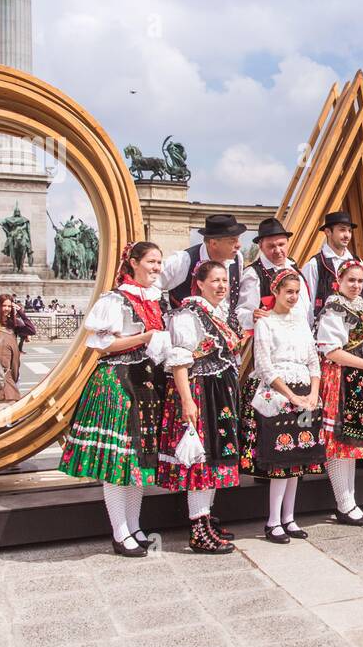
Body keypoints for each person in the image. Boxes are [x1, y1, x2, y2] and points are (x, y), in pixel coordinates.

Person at [58, 241, 170, 557]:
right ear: (133, 263)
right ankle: (120, 532)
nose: (157, 268)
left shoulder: (155, 299)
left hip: (146, 384)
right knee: (119, 460)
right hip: (118, 384)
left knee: (139, 460)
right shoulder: (114, 299)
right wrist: (145, 338)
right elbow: (101, 345)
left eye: (159, 262)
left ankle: (134, 526)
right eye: (151, 261)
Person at [158, 259, 246, 555]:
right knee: (201, 461)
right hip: (200, 390)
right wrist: (186, 401)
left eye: (224, 281)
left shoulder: (218, 313)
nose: (221, 286)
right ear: (200, 283)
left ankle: (206, 520)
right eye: (215, 281)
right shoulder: (189, 314)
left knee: (215, 459)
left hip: (219, 391)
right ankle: (197, 529)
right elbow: (180, 360)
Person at [238, 268, 324, 543]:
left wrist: (313, 393)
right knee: (280, 460)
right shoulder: (266, 323)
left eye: (298, 292)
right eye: (289, 291)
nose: (294, 297)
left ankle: (290, 516)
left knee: (298, 459)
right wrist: (291, 395)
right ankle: (273, 520)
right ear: (275, 292)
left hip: (303, 392)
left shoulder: (300, 322)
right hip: (278, 393)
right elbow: (264, 365)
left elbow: (313, 359)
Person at [316, 259, 363, 526]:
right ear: (339, 281)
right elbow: (332, 351)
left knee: (351, 446)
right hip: (341, 377)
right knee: (340, 444)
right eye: (351, 281)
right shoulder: (335, 308)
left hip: (361, 377)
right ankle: (344, 504)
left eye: (360, 280)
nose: (356, 285)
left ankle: (350, 501)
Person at [156, 213, 246, 315]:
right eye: (232, 241)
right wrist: (162, 316)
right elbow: (151, 283)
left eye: (238, 239)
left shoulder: (238, 258)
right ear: (213, 243)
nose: (239, 245)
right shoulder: (183, 260)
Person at [235, 217, 311, 333]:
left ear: (287, 242)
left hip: (303, 338)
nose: (278, 250)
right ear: (260, 246)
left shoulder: (292, 265)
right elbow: (241, 313)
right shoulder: (253, 274)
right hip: (274, 342)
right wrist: (252, 316)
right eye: (271, 246)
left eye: (281, 244)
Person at [303, 210, 363, 323]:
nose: (347, 235)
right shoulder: (315, 264)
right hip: (325, 328)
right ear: (328, 232)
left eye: (349, 231)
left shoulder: (358, 262)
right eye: (342, 230)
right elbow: (307, 302)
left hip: (356, 328)